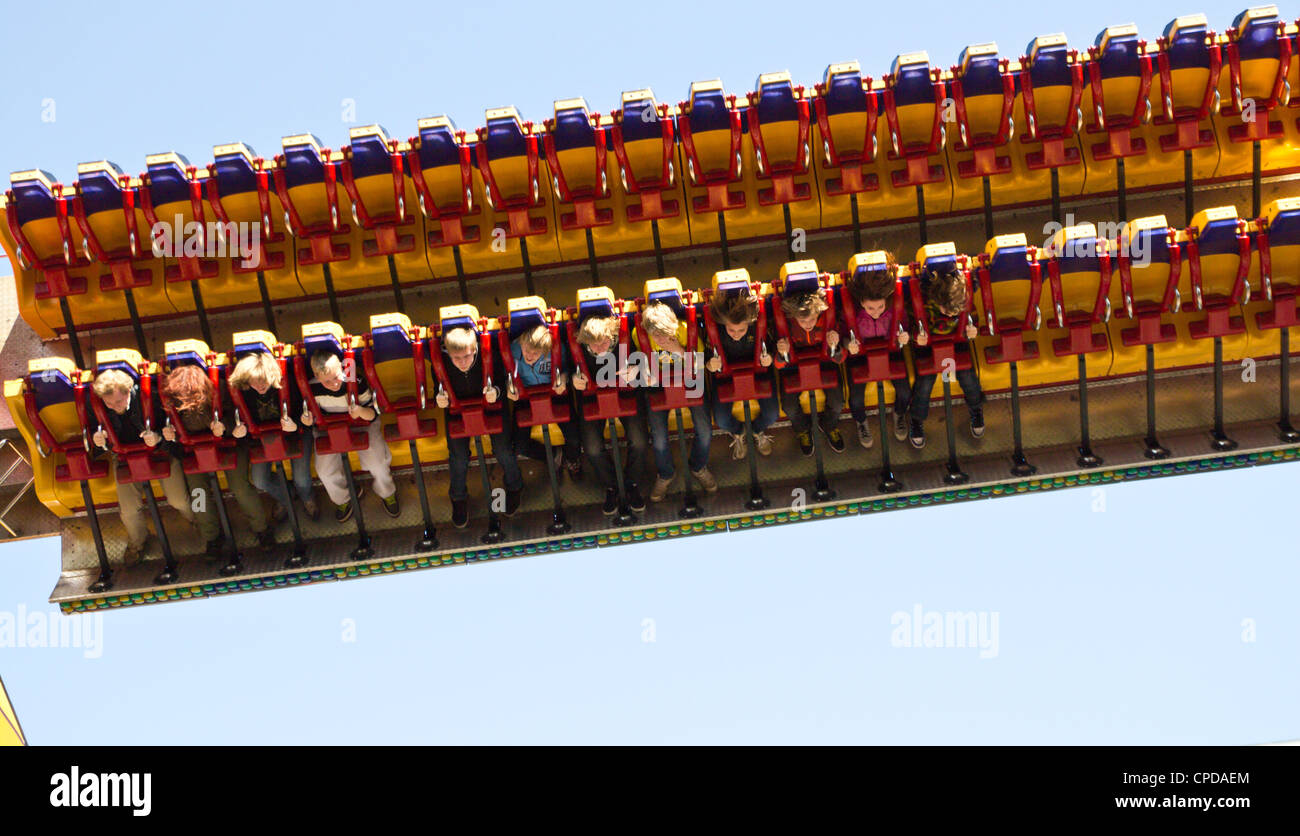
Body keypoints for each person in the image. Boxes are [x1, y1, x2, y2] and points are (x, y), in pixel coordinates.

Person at [90, 368, 215, 564]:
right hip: (125, 458)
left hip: (160, 453)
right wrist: (99, 441)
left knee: (179, 500)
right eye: (109, 404)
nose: (114, 407)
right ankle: (138, 542)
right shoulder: (99, 406)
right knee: (128, 510)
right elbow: (93, 436)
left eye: (119, 401)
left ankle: (198, 522)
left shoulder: (151, 398)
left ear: (128, 391)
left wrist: (158, 438)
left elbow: (172, 431)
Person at [160, 364, 274, 549]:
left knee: (240, 488)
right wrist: (171, 438)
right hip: (194, 452)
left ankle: (262, 529)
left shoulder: (221, 389)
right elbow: (164, 434)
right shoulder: (171, 400)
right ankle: (211, 537)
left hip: (229, 446)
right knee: (198, 494)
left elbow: (241, 418)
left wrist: (225, 427)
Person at [435, 325, 523, 528]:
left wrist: (497, 392)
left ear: (474, 350)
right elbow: (436, 388)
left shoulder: (489, 357)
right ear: (448, 354)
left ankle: (515, 486)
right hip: (457, 409)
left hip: (492, 405)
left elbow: (504, 381)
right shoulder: (441, 363)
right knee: (458, 457)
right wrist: (439, 399)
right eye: (456, 359)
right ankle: (458, 498)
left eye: (466, 357)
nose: (462, 363)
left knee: (502, 451)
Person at [303, 351, 400, 522]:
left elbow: (374, 414)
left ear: (342, 367)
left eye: (337, 377)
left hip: (362, 424)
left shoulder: (356, 382)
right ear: (317, 377)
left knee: (377, 463)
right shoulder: (311, 388)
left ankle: (387, 493)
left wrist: (361, 411)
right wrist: (308, 419)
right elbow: (309, 418)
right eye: (327, 381)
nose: (334, 384)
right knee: (324, 471)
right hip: (329, 428)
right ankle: (344, 498)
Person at [227, 351, 319, 522]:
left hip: (295, 434)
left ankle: (307, 497)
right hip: (262, 438)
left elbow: (306, 413)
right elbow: (233, 419)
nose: (259, 385)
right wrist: (237, 431)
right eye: (252, 381)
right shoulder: (243, 392)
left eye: (263, 379)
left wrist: (298, 424)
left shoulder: (288, 383)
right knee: (260, 480)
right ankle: (286, 496)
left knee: (302, 479)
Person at [638, 300, 716, 503]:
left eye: (666, 334)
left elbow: (700, 365)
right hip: (659, 385)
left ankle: (698, 466)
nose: (662, 339)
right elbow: (638, 364)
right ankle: (665, 473)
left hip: (689, 380)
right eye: (657, 336)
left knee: (705, 430)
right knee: (659, 438)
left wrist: (679, 350)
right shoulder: (640, 336)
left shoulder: (684, 330)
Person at [572, 313, 649, 514]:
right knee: (592, 447)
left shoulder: (624, 339)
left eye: (604, 342)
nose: (600, 348)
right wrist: (573, 378)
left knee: (639, 440)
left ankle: (631, 484)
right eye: (594, 345)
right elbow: (566, 369)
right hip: (593, 397)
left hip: (626, 392)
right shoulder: (579, 347)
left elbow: (644, 358)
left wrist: (637, 369)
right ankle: (612, 486)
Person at [904, 267, 985, 449]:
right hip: (929, 347)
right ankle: (916, 420)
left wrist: (973, 330)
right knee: (925, 383)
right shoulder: (923, 304)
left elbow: (974, 319)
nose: (950, 315)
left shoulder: (963, 303)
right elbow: (909, 324)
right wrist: (917, 336)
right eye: (947, 312)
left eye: (954, 314)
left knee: (967, 377)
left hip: (955, 343)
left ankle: (976, 408)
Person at [843, 253, 914, 448]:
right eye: (870, 308)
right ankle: (861, 422)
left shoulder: (894, 310)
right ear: (861, 304)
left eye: (880, 307)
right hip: (860, 356)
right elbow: (842, 336)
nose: (876, 312)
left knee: (905, 392)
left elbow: (906, 327)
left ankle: (899, 413)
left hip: (890, 351)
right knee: (856, 398)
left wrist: (905, 336)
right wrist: (848, 344)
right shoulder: (853, 315)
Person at [706, 287, 778, 460]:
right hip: (726, 378)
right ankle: (739, 432)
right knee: (722, 420)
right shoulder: (716, 333)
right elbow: (706, 362)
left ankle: (757, 430)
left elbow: (773, 348)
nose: (736, 335)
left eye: (741, 330)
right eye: (732, 330)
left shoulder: (758, 330)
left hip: (757, 373)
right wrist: (710, 364)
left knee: (772, 415)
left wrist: (769, 358)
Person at [774, 288, 847, 455]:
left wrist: (834, 346)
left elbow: (840, 358)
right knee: (789, 406)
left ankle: (828, 425)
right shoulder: (786, 326)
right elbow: (778, 365)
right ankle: (802, 429)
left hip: (824, 363)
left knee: (837, 403)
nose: (809, 324)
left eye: (812, 319)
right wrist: (782, 353)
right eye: (803, 320)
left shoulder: (828, 323)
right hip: (794, 367)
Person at [506, 323, 582, 482]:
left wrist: (564, 378)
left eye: (536, 353)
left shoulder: (555, 348)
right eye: (526, 350)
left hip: (555, 394)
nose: (529, 356)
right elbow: (504, 376)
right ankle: (555, 456)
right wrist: (509, 386)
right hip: (526, 397)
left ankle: (572, 459)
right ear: (521, 342)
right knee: (518, 446)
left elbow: (569, 369)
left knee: (575, 438)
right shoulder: (512, 350)